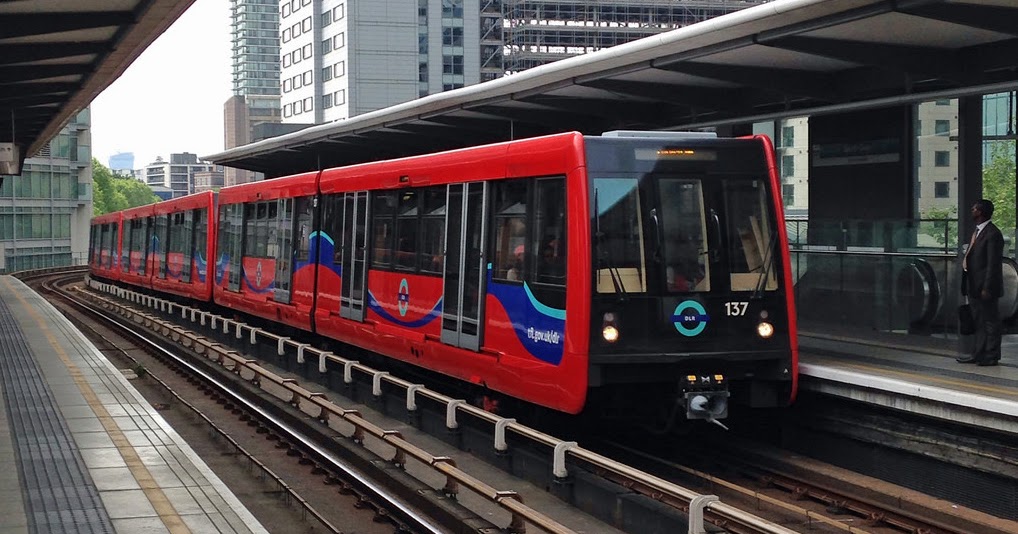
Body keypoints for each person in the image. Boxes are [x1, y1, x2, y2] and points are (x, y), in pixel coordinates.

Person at [958, 199, 1004, 366]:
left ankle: (992, 355)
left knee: (990, 321)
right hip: (973, 285)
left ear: (981, 212)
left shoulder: (992, 234)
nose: (972, 210)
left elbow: (993, 264)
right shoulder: (978, 232)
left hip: (985, 287)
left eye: (974, 209)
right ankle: (978, 353)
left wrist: (987, 287)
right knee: (979, 321)